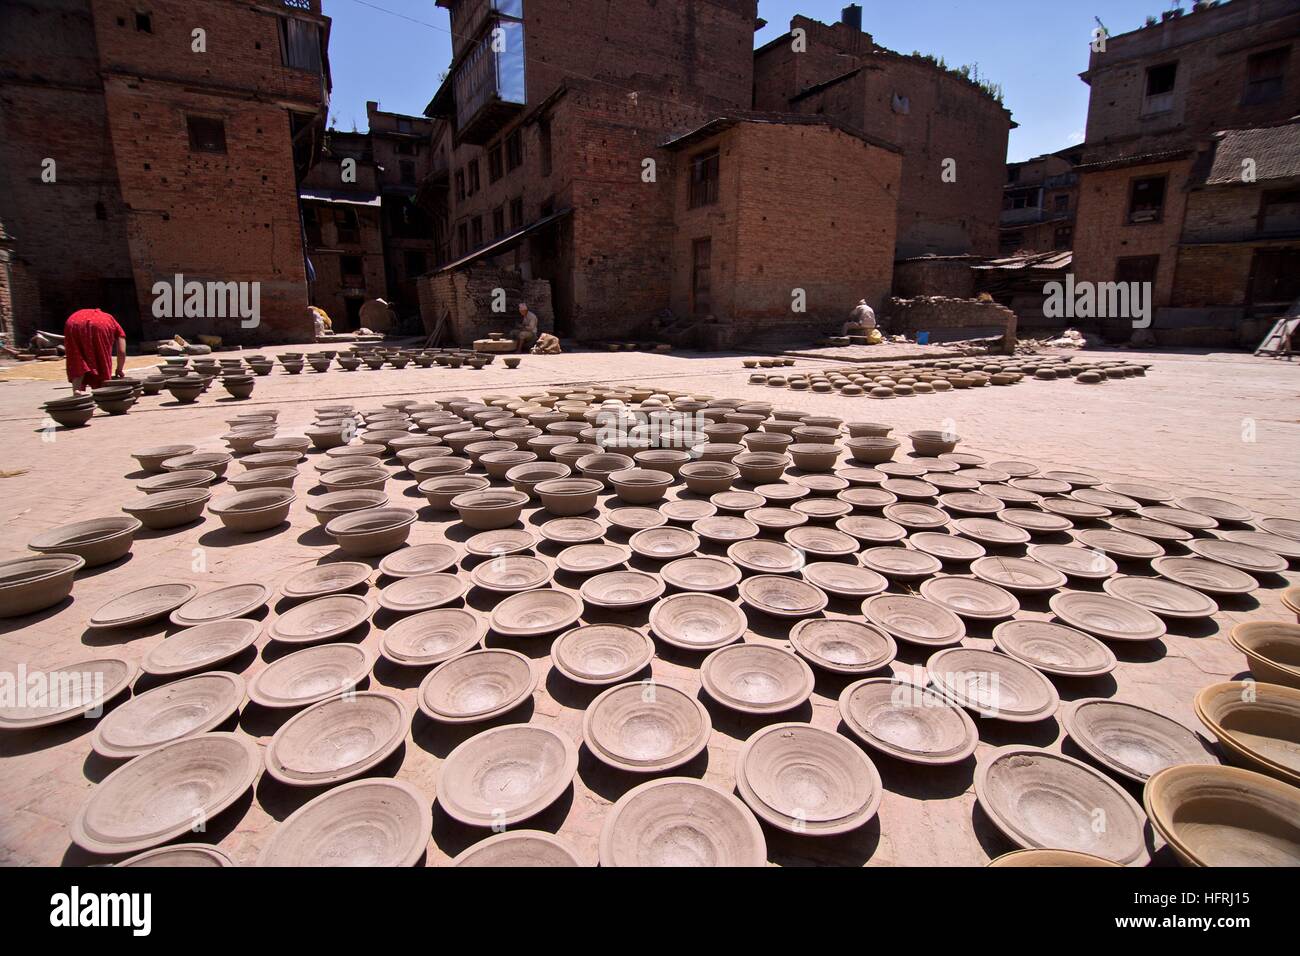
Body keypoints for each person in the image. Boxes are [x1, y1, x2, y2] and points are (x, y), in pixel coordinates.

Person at [63, 308, 127, 392]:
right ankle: (103, 391)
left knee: (77, 358)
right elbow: (122, 351)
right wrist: (119, 369)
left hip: (72, 322)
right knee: (101, 355)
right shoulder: (111, 320)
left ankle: (76, 391)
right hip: (100, 324)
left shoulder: (107, 318)